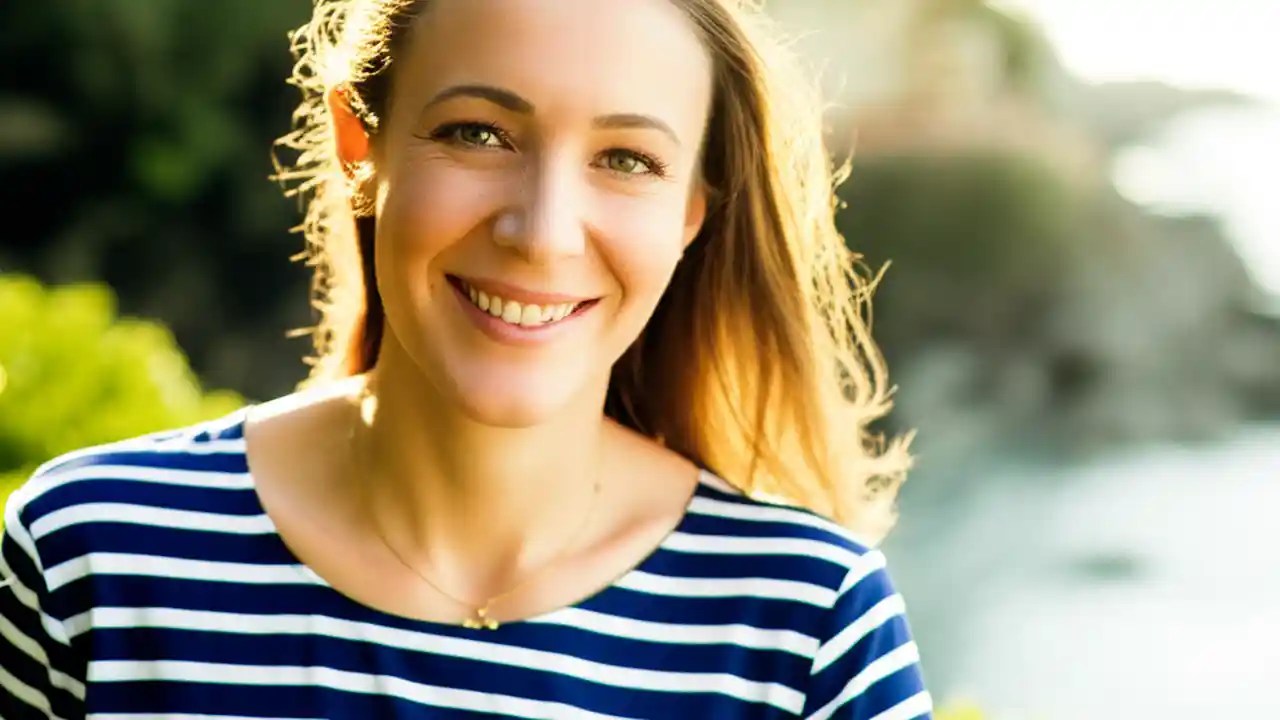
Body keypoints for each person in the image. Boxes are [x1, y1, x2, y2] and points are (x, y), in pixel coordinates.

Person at [0, 0, 932, 717]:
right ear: (358, 147)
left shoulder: (804, 624)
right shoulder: (92, 551)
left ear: (690, 214)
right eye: (477, 134)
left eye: (627, 159)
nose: (542, 234)